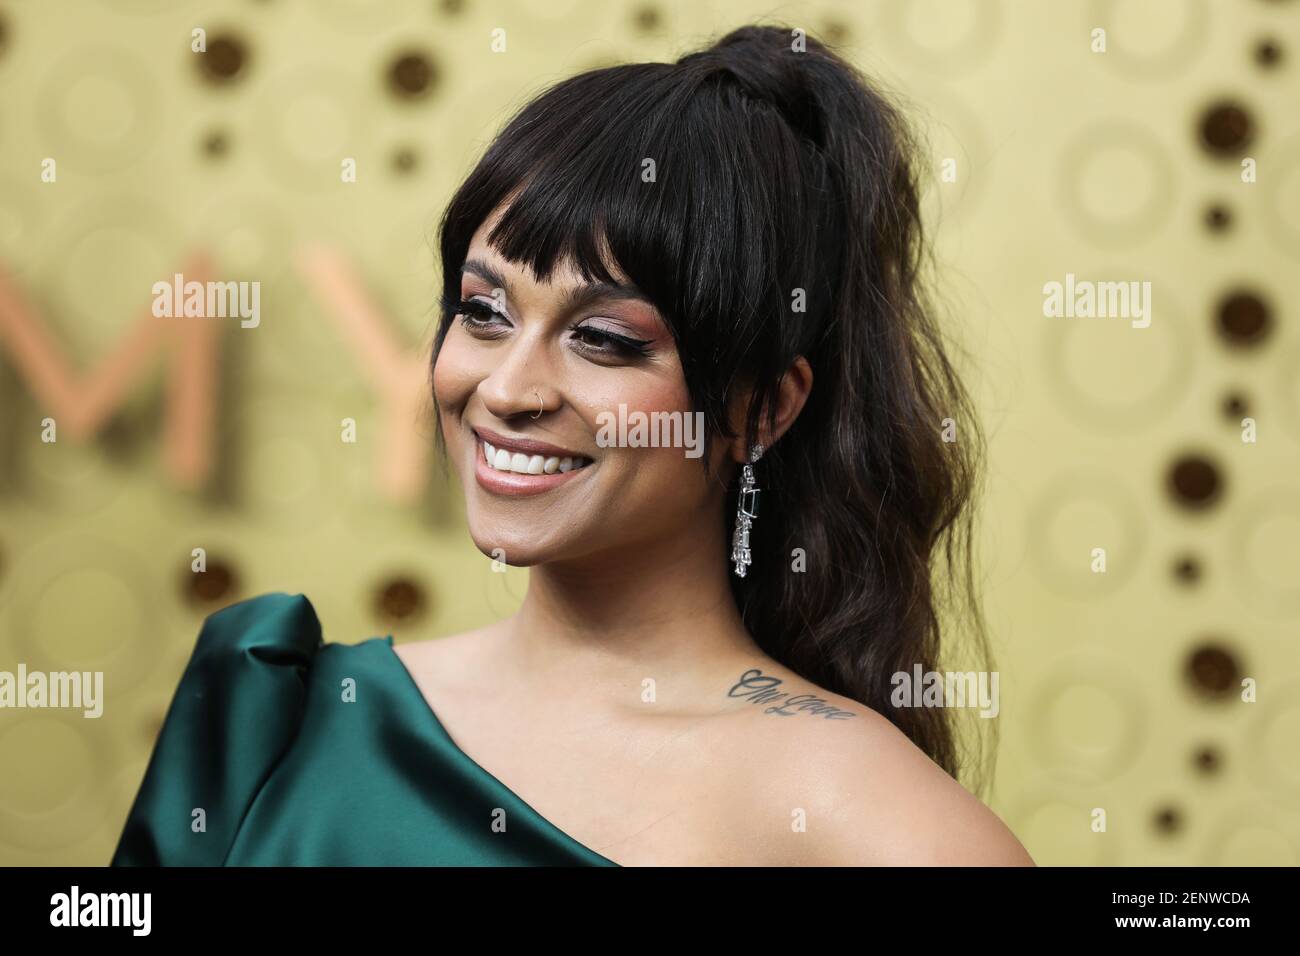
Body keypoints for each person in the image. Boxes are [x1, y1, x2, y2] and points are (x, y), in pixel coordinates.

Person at [112, 23, 1034, 866]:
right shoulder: (273, 714)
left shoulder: (860, 813)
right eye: (482, 313)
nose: (507, 389)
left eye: (605, 339)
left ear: (764, 410)